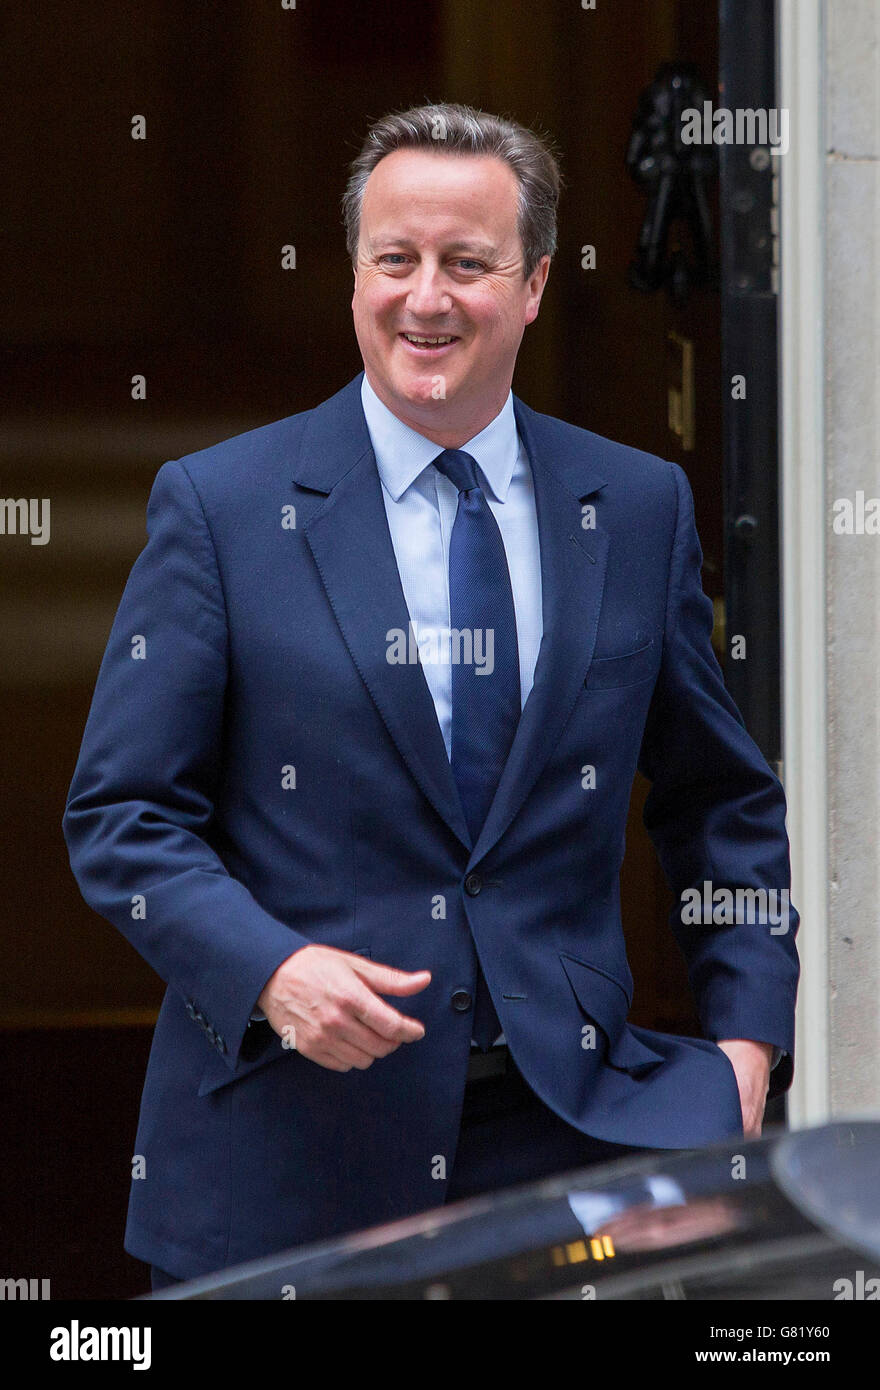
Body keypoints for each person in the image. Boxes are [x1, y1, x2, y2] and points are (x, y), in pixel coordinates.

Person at [63, 103, 799, 1291]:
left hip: (575, 1138)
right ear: (353, 276)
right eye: (395, 259)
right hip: (286, 1149)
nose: (426, 298)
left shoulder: (636, 504)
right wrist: (269, 970)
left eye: (467, 263)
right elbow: (122, 819)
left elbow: (719, 800)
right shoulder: (222, 507)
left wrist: (747, 1049)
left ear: (537, 285)